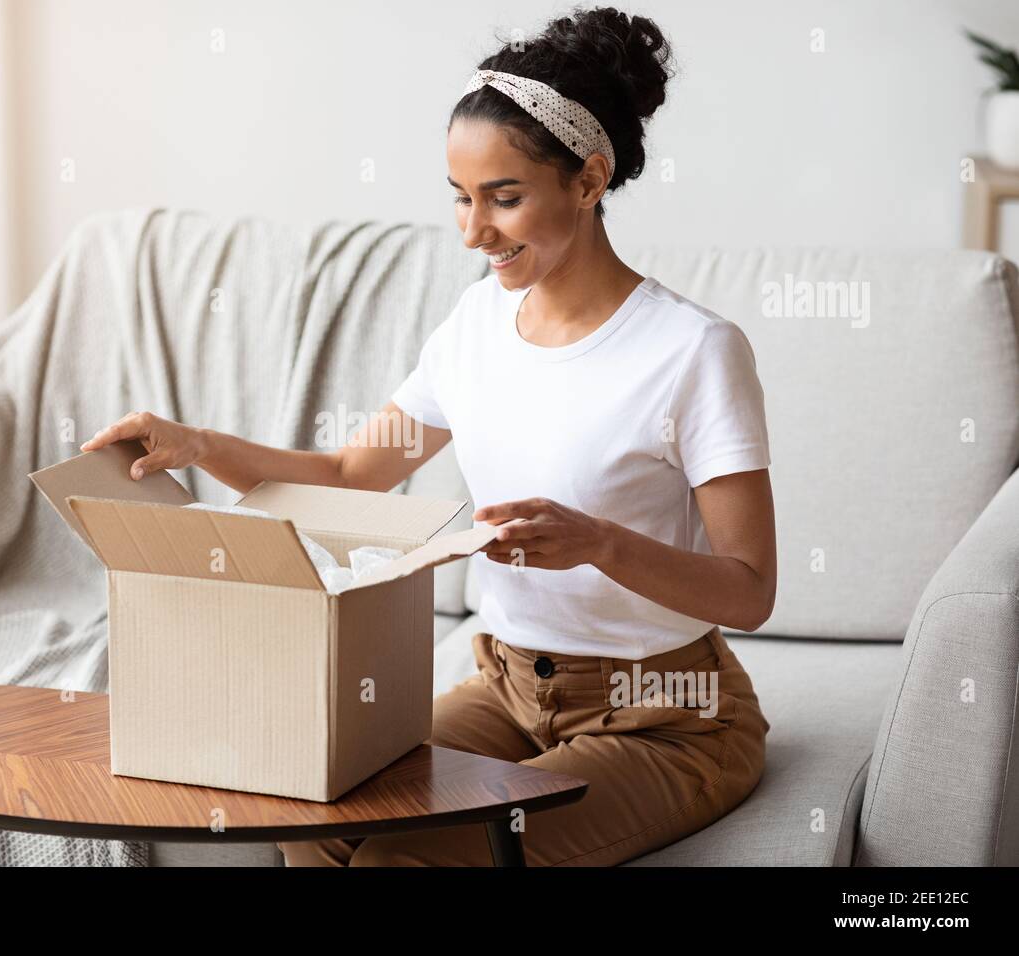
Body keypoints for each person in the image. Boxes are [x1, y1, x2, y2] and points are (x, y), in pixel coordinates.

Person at [81, 4, 774, 866]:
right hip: (509, 688)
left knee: (395, 859)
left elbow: (749, 593)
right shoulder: (476, 324)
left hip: (667, 719)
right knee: (310, 812)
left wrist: (598, 542)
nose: (474, 230)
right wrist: (195, 445)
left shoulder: (693, 351)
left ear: (590, 180)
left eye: (505, 198)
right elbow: (349, 471)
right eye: (460, 197)